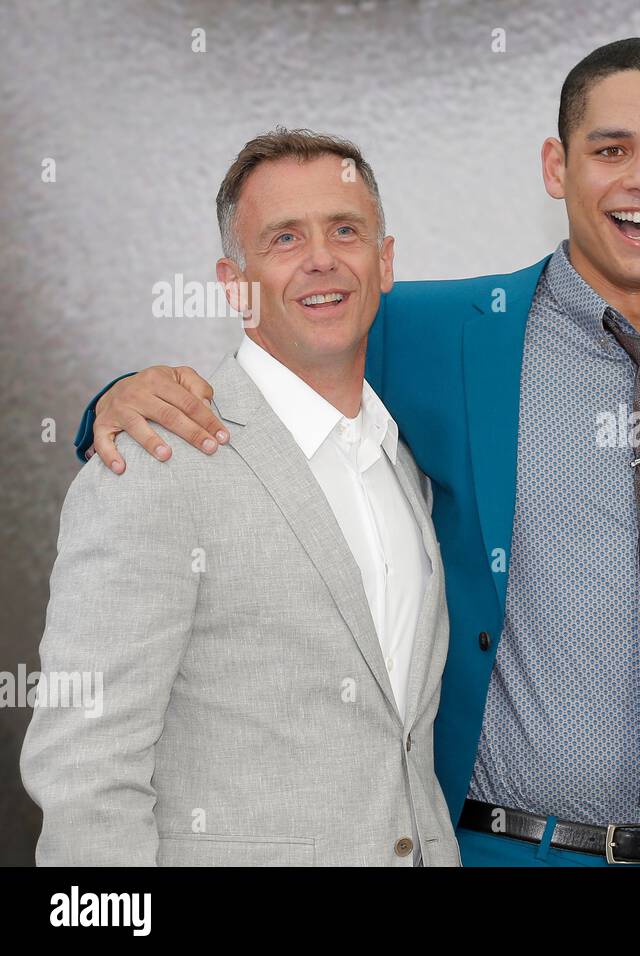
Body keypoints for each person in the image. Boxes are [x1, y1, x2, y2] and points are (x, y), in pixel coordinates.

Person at [71, 38, 640, 867]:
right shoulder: (429, 333)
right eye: (610, 149)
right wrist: (117, 400)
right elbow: (279, 355)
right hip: (505, 849)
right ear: (556, 166)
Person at [22, 129, 461, 866]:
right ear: (234, 282)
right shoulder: (156, 460)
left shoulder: (404, 461)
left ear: (384, 262)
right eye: (284, 238)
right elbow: (84, 770)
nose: (322, 258)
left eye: (345, 230)